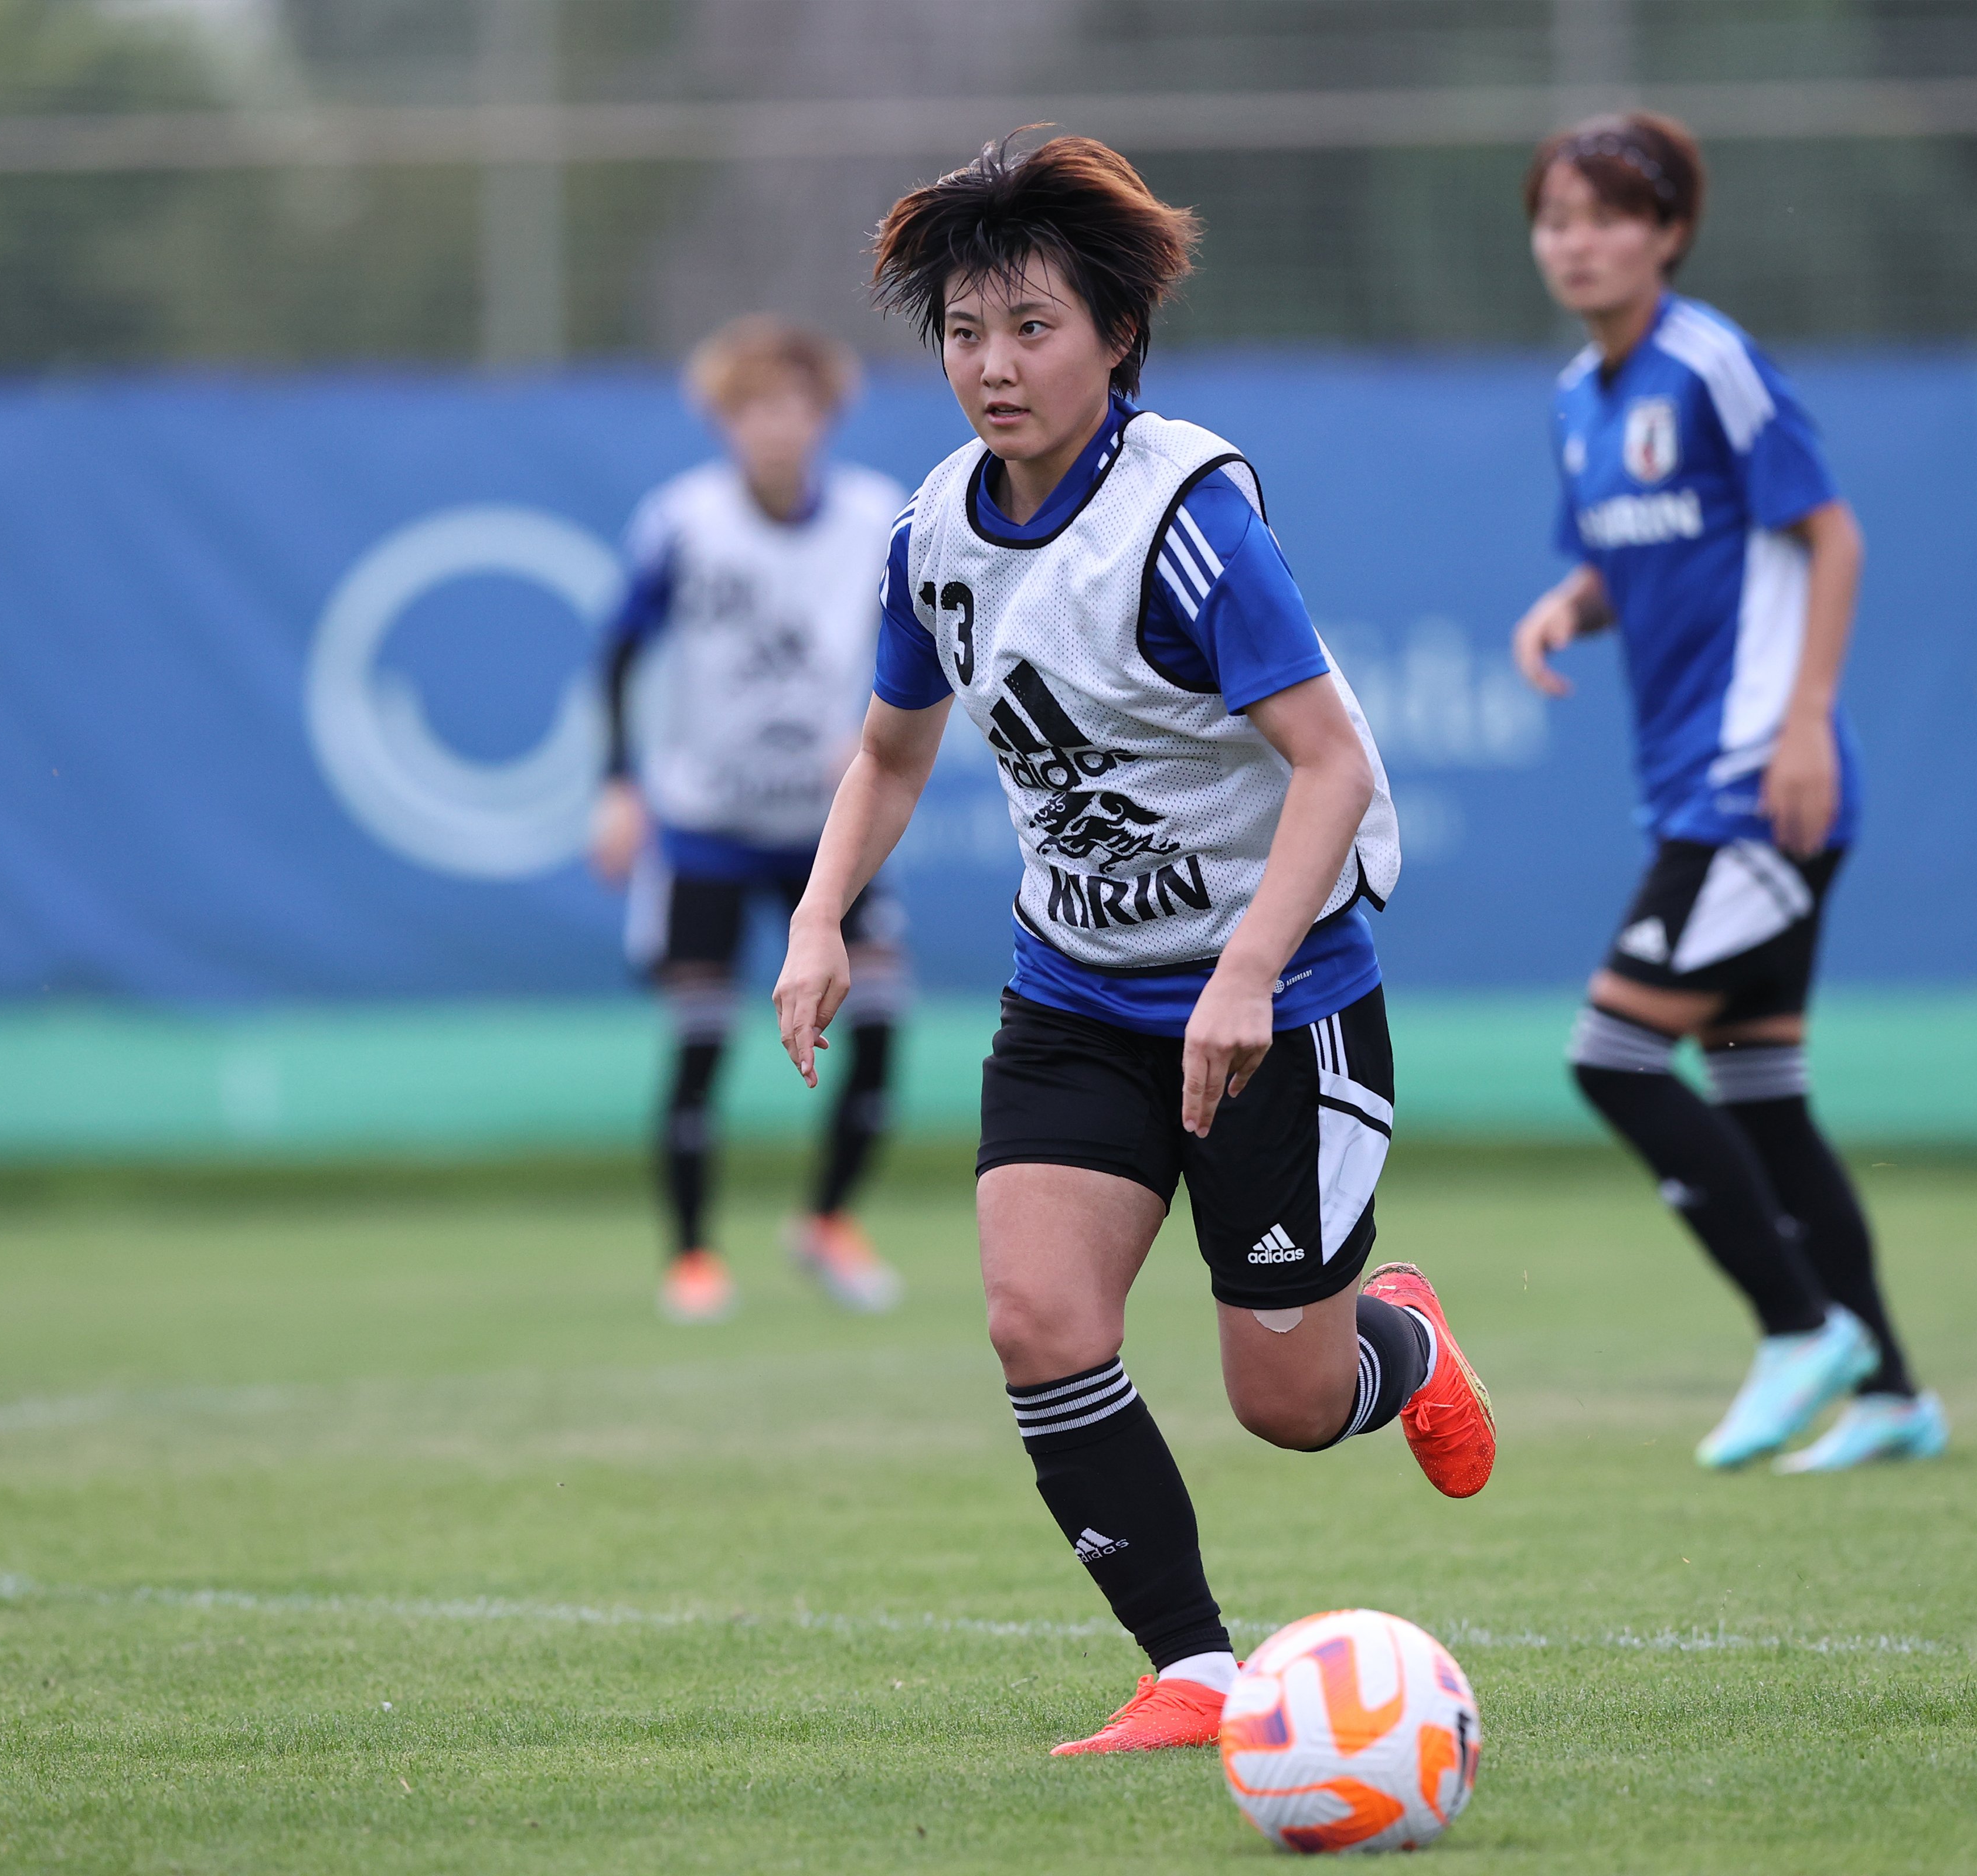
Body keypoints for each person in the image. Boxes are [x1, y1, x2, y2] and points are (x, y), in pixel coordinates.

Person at [771, 133, 1498, 1756]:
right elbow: (887, 753)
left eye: (1031, 328)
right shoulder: (934, 532)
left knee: (1285, 1403)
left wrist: (1243, 978)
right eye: (966, 332)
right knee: (1036, 1319)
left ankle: (1404, 1341)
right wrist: (819, 919)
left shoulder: (1184, 524)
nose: (993, 365)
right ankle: (1196, 1672)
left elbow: (1333, 766)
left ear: (1113, 338)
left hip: (1280, 1000)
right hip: (1077, 996)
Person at [1510, 111, 1945, 1472]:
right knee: (1759, 1094)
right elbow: (1628, 561)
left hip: (1759, 786)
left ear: (1669, 233)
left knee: (1612, 1053)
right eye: (1555, 219)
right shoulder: (1574, 401)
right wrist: (1565, 607)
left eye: (1606, 216)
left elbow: (1829, 535)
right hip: (1690, 788)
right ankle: (1891, 1395)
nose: (1576, 243)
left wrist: (1806, 719)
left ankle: (1797, 1325)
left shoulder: (1712, 362)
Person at [590, 314, 908, 1326]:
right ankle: (692, 1257)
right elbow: (620, 651)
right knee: (702, 1039)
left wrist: (874, 732)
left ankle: (827, 1221)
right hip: (706, 825)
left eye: (794, 406)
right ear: (724, 422)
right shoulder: (684, 521)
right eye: (752, 408)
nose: (774, 427)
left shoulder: (877, 517)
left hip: (828, 827)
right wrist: (618, 784)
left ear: (826, 416)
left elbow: (928, 644)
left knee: (881, 1014)